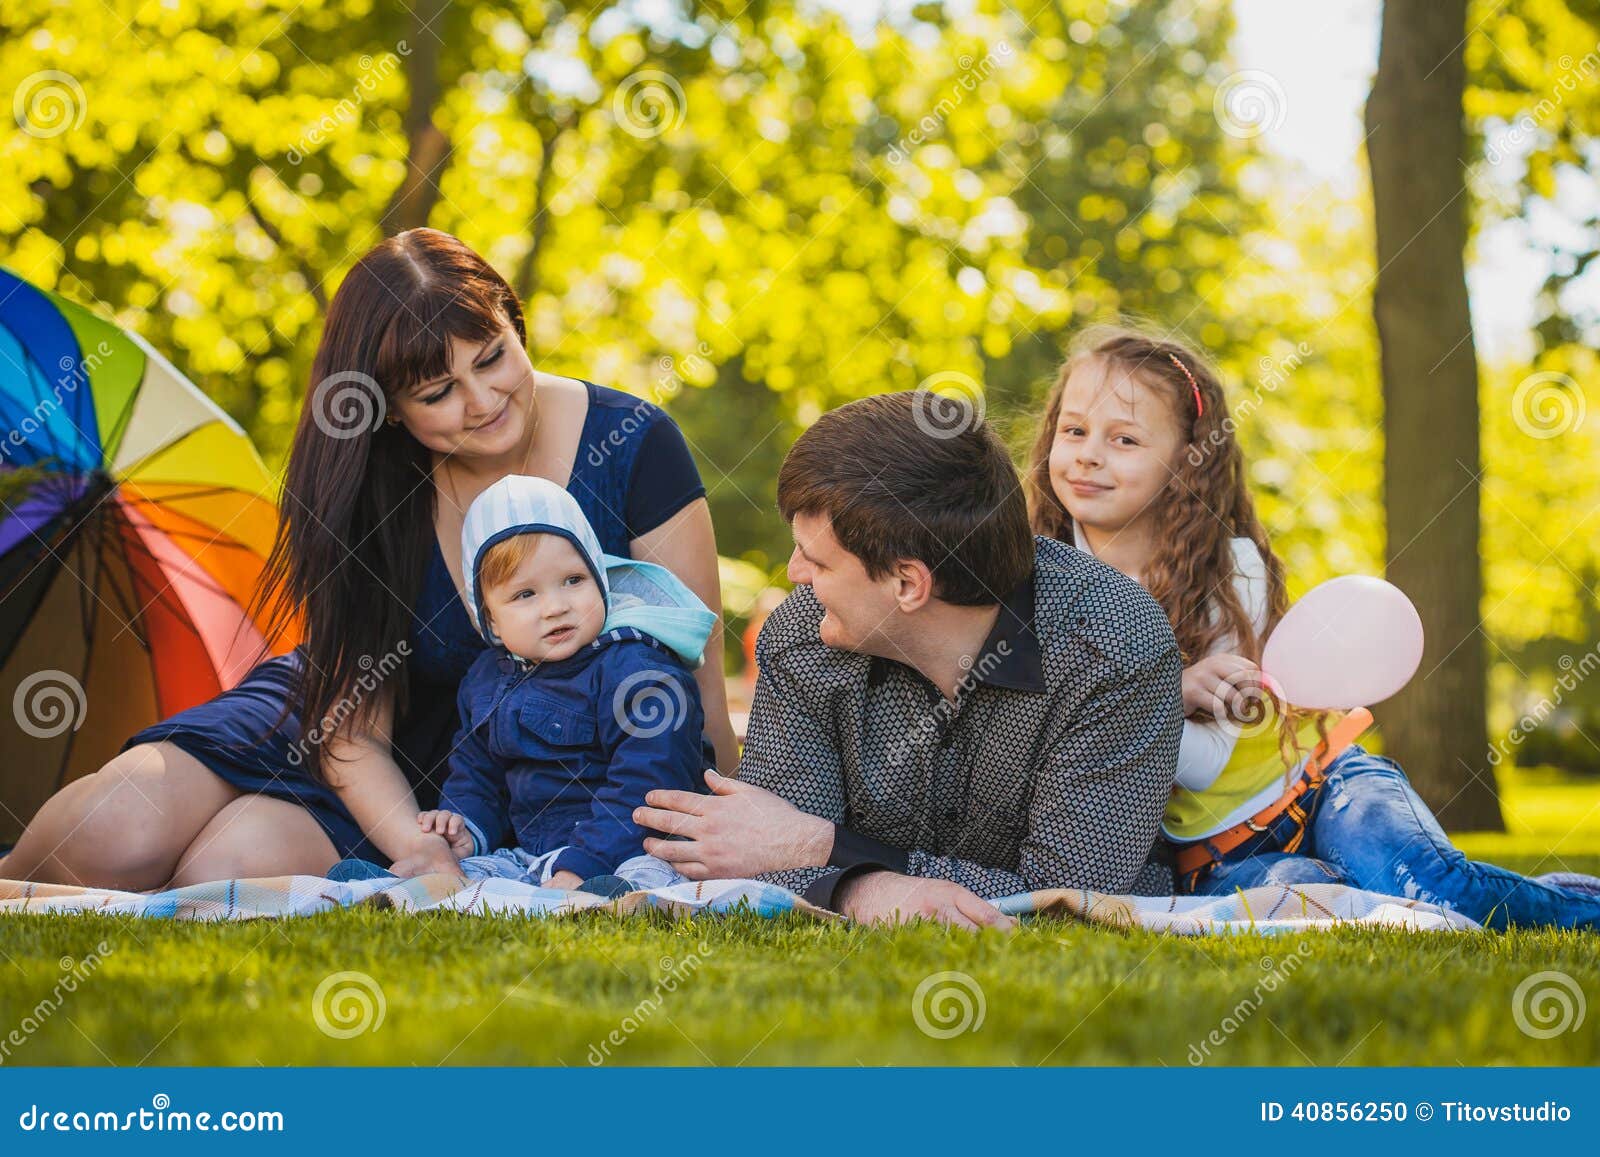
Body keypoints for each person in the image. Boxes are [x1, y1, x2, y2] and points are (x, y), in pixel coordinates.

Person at [0, 229, 733, 889]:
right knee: (114, 834)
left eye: (493, 356)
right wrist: (422, 854)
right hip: (339, 722)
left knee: (221, 871)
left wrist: (735, 839)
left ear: (514, 319)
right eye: (439, 391)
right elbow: (350, 731)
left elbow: (694, 693)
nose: (482, 400)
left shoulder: (634, 445)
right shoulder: (370, 484)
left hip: (474, 787)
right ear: (387, 408)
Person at [1025, 324, 1600, 930]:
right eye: (1074, 430)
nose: (1088, 453)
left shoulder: (1228, 570)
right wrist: (1174, 689)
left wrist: (1147, 695)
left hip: (1324, 789)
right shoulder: (1034, 584)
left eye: (1124, 439)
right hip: (1214, 858)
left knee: (1434, 888)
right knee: (1321, 900)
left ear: (1186, 462)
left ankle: (1577, 901)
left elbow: (1208, 760)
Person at [632, 391, 1184, 928]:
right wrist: (863, 884)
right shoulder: (804, 636)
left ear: (907, 582)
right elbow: (759, 852)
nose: (795, 574)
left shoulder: (1113, 644)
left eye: (817, 561)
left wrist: (824, 847)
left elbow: (1072, 898)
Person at [413, 474, 715, 893]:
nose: (556, 607)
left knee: (649, 880)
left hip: (639, 845)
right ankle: (389, 889)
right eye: (525, 595)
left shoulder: (638, 669)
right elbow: (477, 775)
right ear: (490, 618)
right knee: (466, 876)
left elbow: (649, 781)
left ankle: (605, 896)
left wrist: (584, 865)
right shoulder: (486, 679)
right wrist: (465, 825)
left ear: (599, 578)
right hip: (538, 854)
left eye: (573, 580)